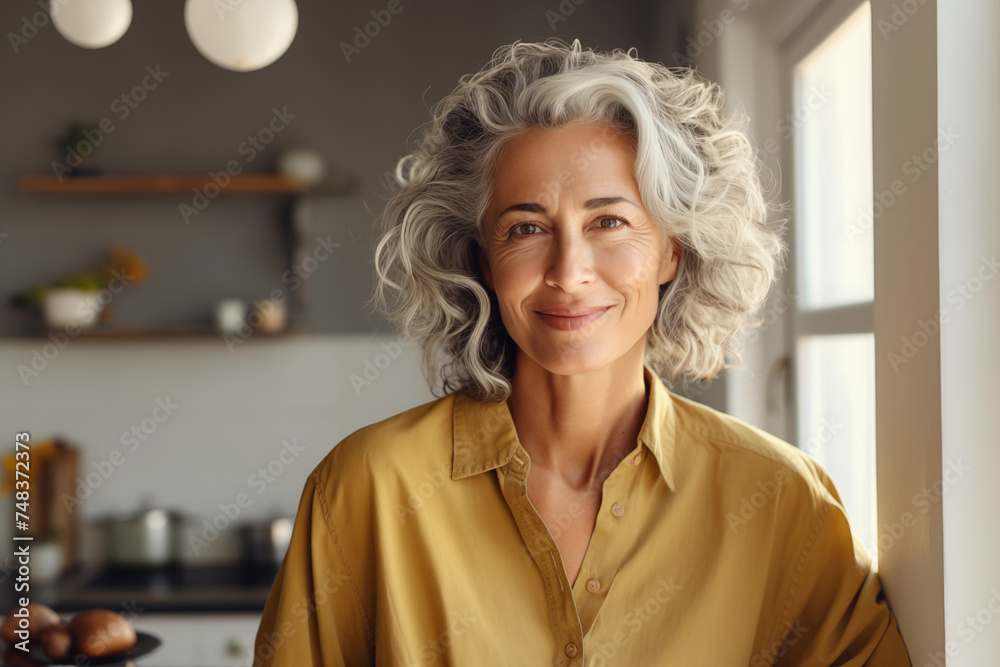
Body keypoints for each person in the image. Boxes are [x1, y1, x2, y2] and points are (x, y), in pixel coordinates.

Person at [252, 39, 912, 666]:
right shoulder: (365, 489)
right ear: (484, 260)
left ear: (671, 248)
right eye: (527, 227)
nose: (569, 272)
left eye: (609, 221)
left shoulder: (780, 500)